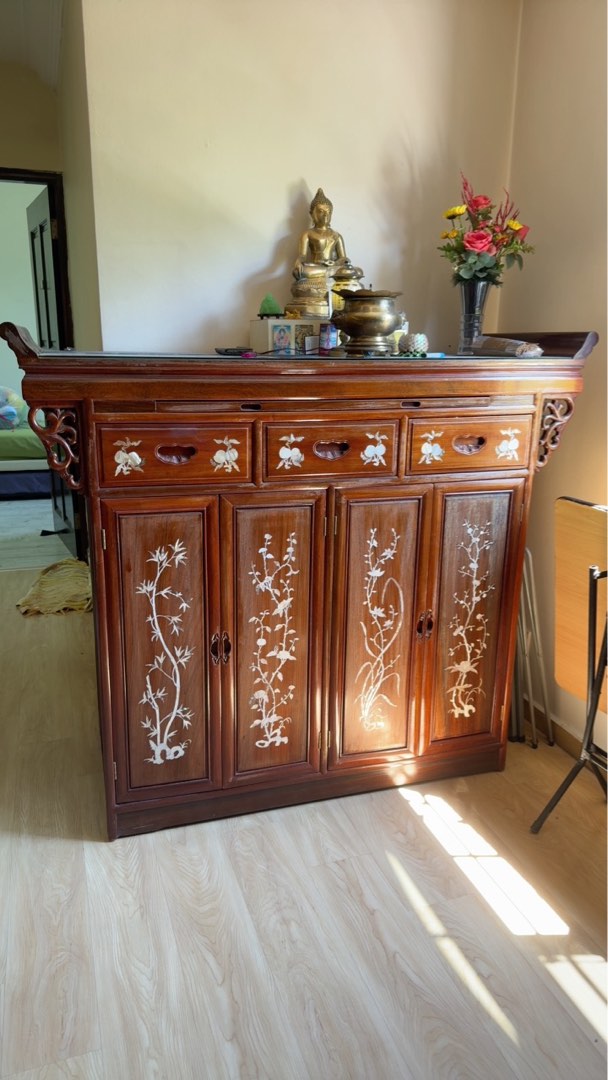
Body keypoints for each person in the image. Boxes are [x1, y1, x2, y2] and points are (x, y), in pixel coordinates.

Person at [288, 188, 364, 317]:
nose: (325, 216)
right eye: (321, 212)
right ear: (312, 214)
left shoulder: (336, 235)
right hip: (315, 268)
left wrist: (335, 264)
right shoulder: (307, 234)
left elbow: (345, 259)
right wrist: (298, 262)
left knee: (356, 271)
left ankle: (333, 281)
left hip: (333, 269)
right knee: (301, 272)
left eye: (328, 212)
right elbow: (302, 255)